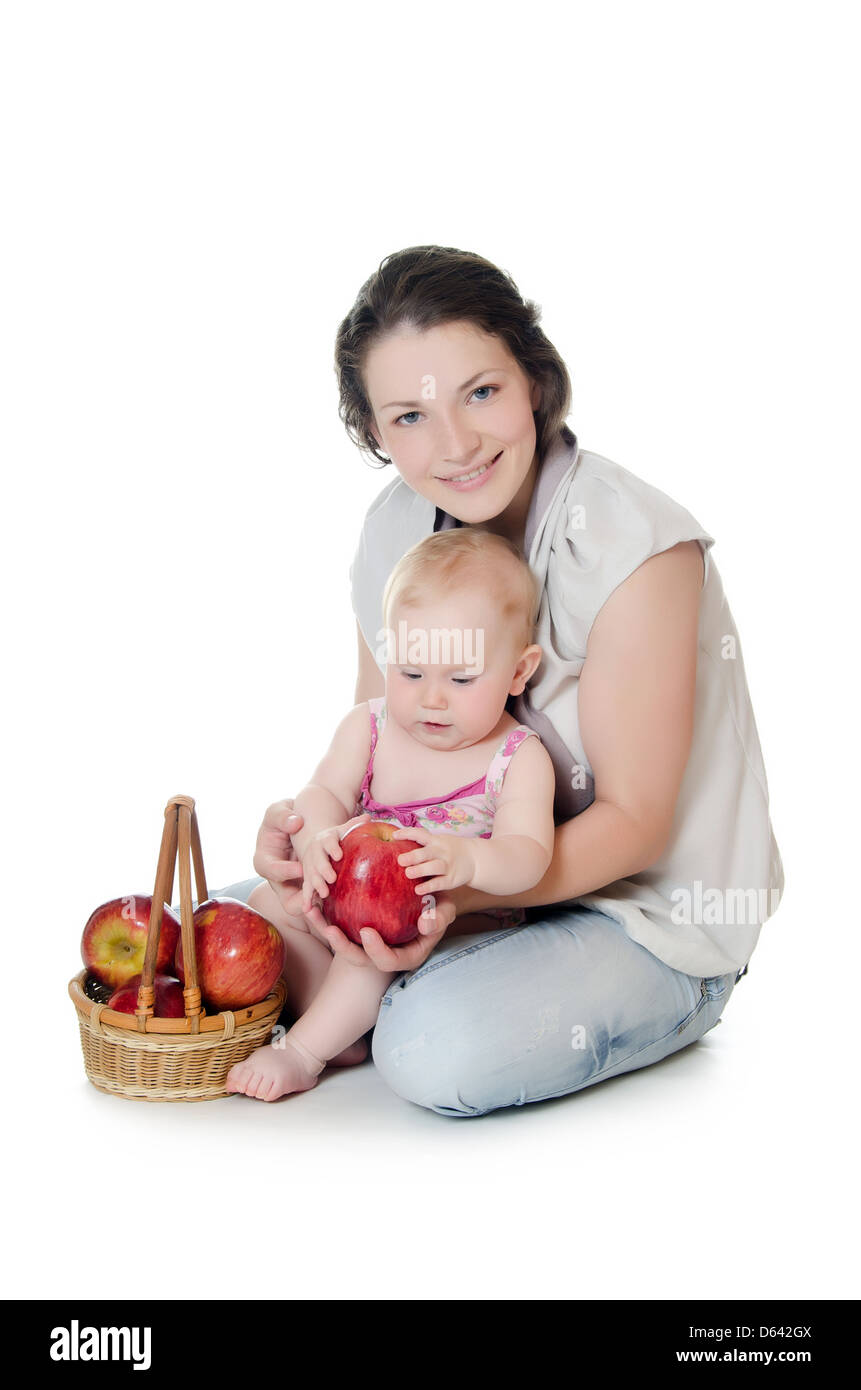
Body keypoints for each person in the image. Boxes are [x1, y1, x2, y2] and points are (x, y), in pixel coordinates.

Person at [213, 244, 784, 1117]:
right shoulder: (393, 530)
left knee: (435, 1051)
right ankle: (376, 990)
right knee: (233, 914)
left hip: (639, 914)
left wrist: (444, 889)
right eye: (408, 416)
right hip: (468, 884)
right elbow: (383, 737)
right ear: (373, 431)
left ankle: (395, 1006)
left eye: (481, 392)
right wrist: (313, 846)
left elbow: (633, 825)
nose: (455, 444)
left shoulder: (635, 547)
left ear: (533, 380)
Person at [225, 527, 556, 1100]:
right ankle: (340, 1025)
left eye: (460, 679)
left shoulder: (518, 757)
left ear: (519, 672)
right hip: (353, 905)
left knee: (370, 954)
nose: (431, 698)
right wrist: (317, 837)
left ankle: (303, 1052)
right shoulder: (370, 727)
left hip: (435, 931)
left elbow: (529, 858)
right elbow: (322, 790)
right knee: (264, 901)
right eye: (410, 672)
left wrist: (468, 860)